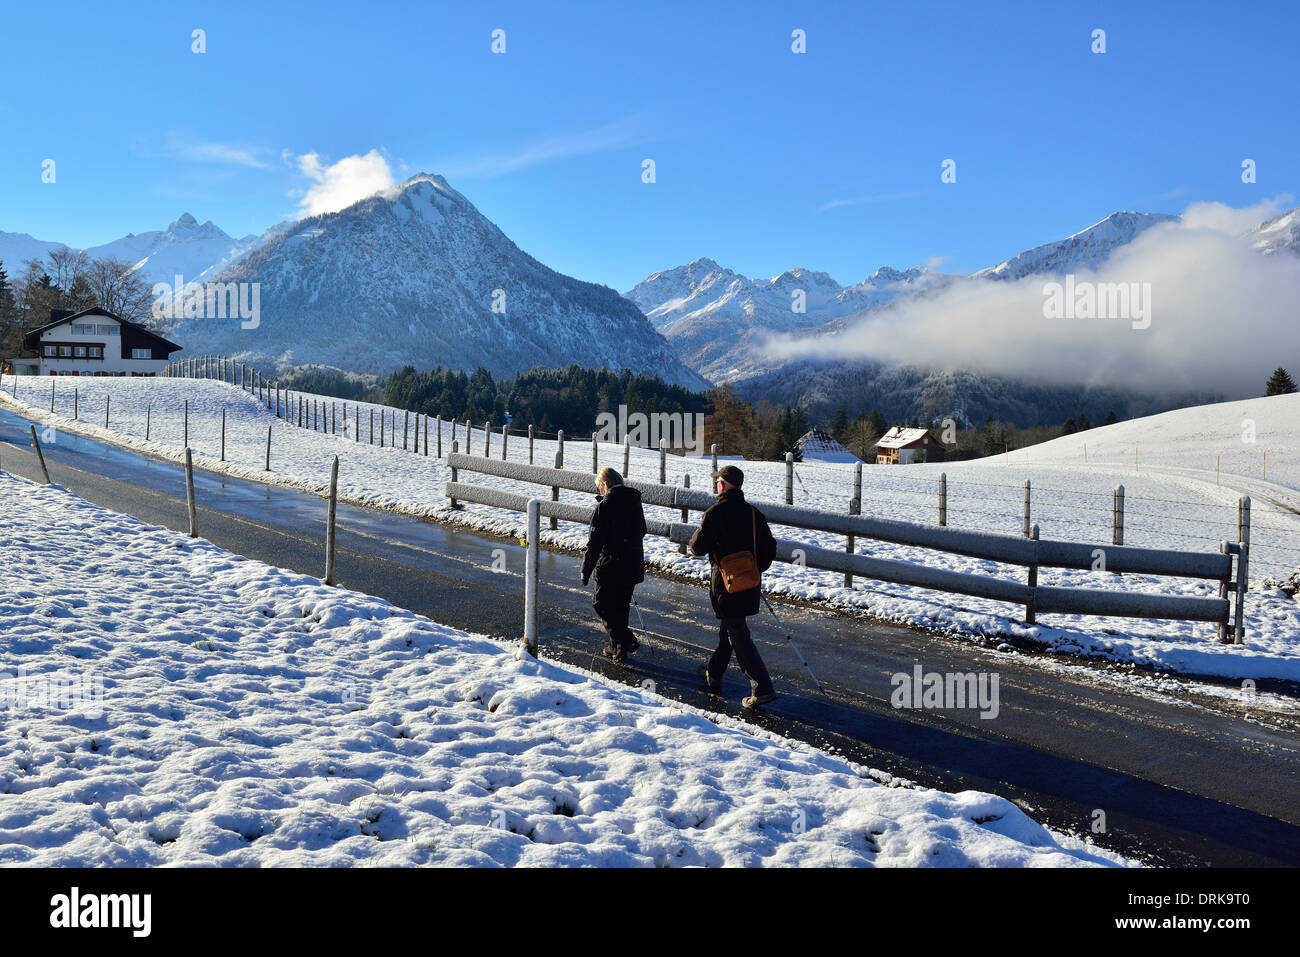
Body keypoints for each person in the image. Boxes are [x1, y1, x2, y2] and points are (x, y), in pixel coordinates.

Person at [689, 464, 778, 709]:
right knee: (730, 629)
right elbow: (770, 547)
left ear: (722, 485)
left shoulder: (714, 512)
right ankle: (714, 674)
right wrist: (754, 569)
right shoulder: (753, 513)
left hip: (725, 585)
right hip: (749, 582)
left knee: (738, 633)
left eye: (718, 481)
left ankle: (762, 688)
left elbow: (697, 547)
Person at [581, 466, 647, 662]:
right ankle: (617, 648)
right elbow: (642, 530)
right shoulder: (634, 502)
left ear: (605, 484)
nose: (598, 491)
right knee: (621, 606)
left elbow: (594, 542)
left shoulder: (605, 505)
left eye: (599, 486)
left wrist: (586, 569)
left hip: (609, 564)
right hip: (632, 563)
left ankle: (626, 640)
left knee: (600, 603)